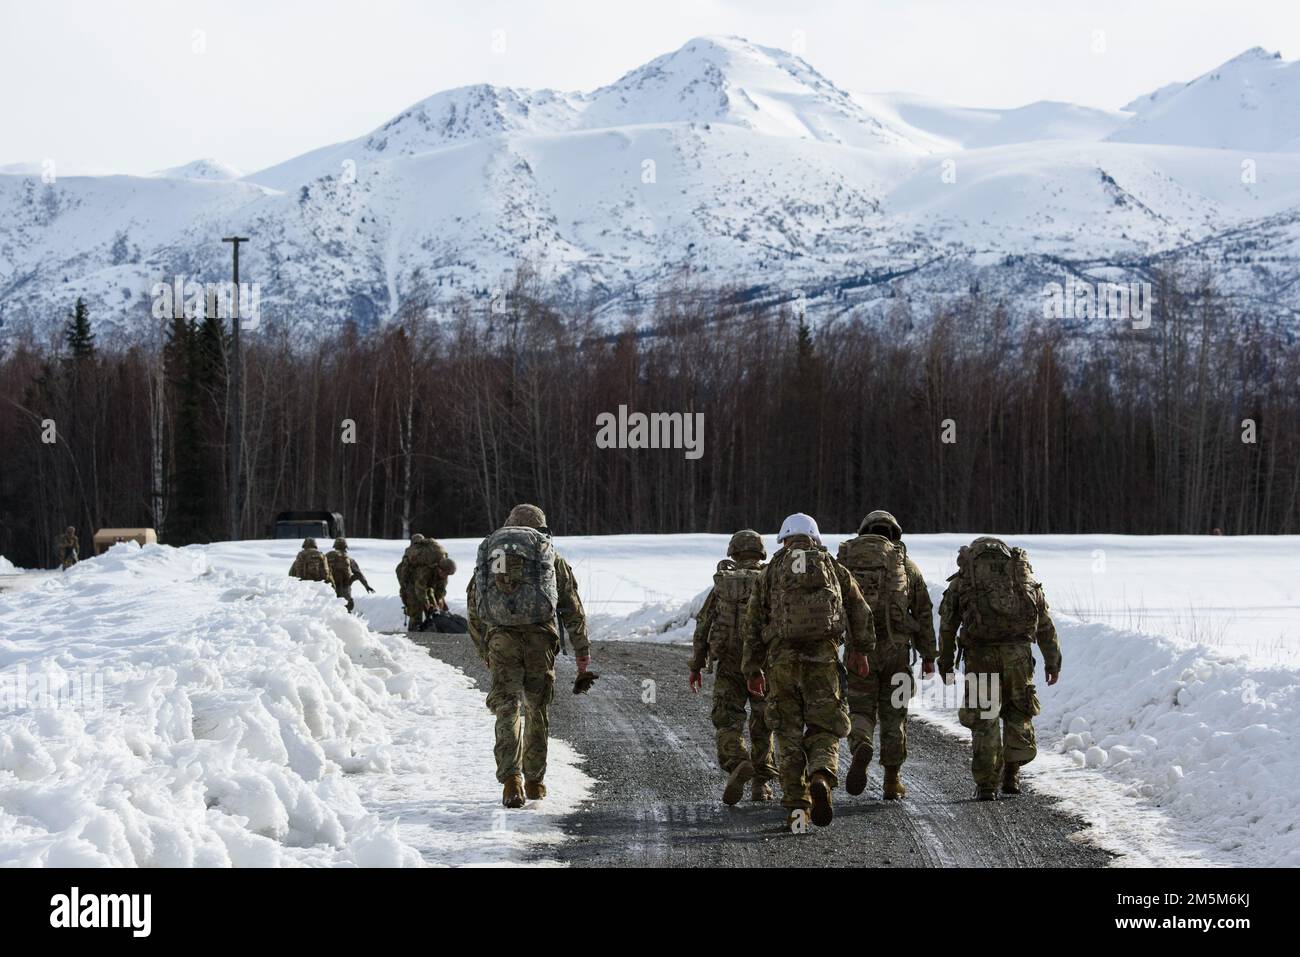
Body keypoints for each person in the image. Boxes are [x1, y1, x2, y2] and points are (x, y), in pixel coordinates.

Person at [741, 513, 873, 829]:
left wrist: (752, 669)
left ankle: (798, 808)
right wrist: (861, 651)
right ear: (814, 538)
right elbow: (860, 610)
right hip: (823, 661)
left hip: (781, 664)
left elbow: (753, 623)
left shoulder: (770, 571)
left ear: (784, 539)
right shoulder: (833, 569)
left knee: (786, 732)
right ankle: (821, 776)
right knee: (825, 727)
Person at [467, 504, 589, 809]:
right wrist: (581, 651)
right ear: (542, 529)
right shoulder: (549, 556)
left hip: (501, 640)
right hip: (540, 640)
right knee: (537, 708)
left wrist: (485, 648)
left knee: (507, 708)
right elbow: (571, 606)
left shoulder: (492, 554)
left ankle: (511, 780)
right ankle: (535, 781)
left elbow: (473, 605)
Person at [937, 537, 1061, 800]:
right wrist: (1053, 661)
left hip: (981, 655)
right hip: (1019, 657)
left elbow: (948, 626)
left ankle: (986, 785)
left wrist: (945, 663)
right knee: (1018, 712)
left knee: (985, 719)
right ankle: (1012, 774)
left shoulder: (965, 580)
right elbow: (1044, 624)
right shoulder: (1021, 578)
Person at [836, 510, 936, 800]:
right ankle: (892, 781)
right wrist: (929, 654)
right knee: (895, 716)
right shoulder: (905, 565)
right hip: (897, 652)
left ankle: (862, 744)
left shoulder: (846, 561)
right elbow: (923, 611)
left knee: (860, 710)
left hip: (858, 652)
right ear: (894, 533)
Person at [688, 529, 777, 804]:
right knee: (763, 722)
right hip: (763, 665)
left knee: (727, 720)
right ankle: (760, 785)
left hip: (728, 662)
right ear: (761, 553)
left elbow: (703, 624)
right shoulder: (770, 580)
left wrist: (697, 663)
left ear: (733, 553)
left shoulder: (723, 584)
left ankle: (738, 762)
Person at [325, 537, 374, 612]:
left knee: (330, 609)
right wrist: (367, 586)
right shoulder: (349, 559)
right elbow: (359, 574)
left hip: (330, 587)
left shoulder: (327, 557)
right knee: (347, 608)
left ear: (335, 546)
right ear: (345, 547)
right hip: (345, 588)